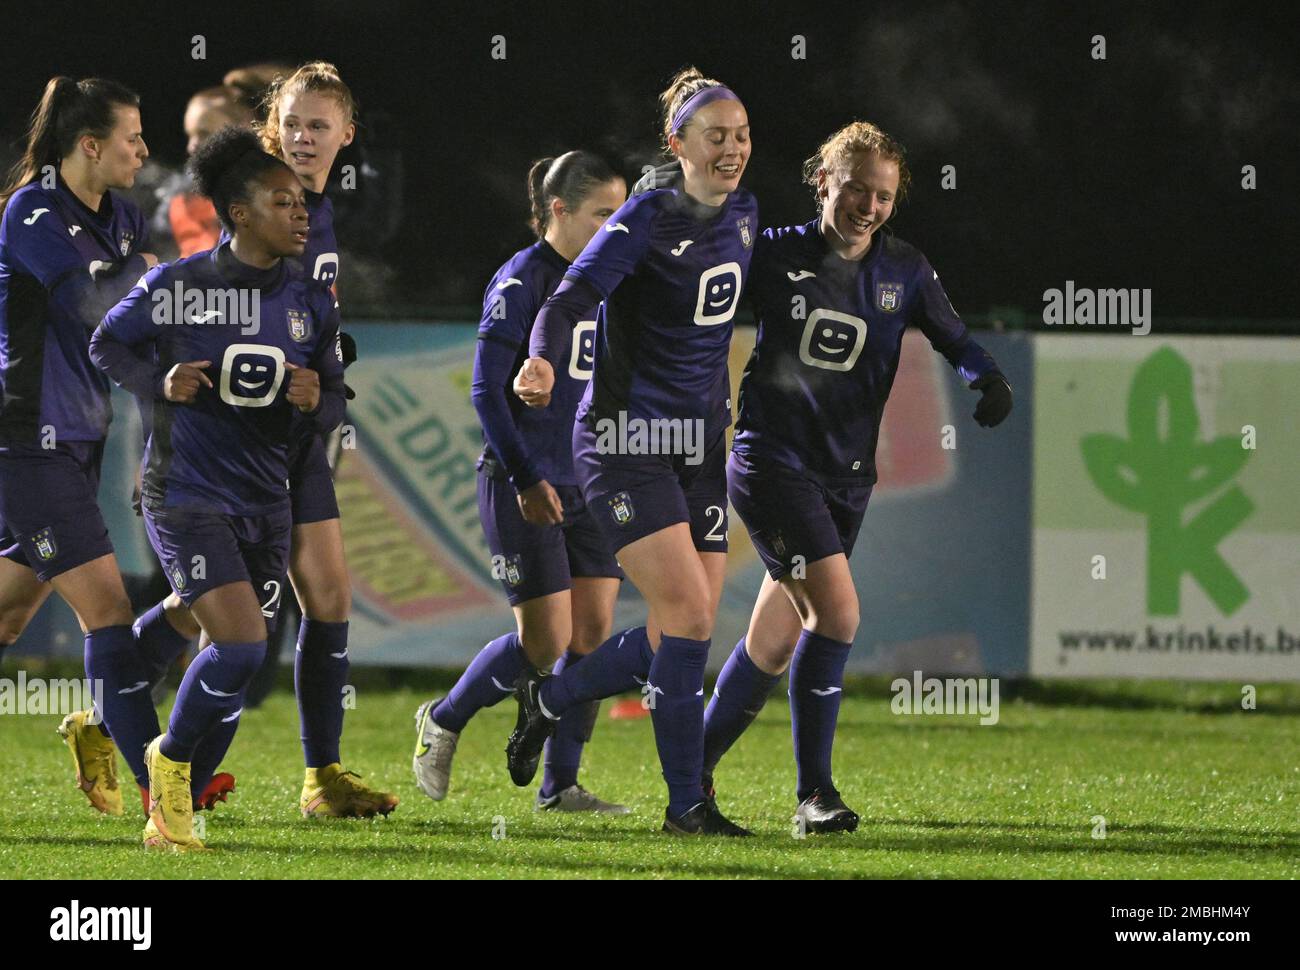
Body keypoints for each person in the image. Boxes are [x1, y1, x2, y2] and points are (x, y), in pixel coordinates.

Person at [705, 121, 1013, 832]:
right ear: (823, 182)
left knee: (774, 642)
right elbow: (693, 296)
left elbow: (956, 338)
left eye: (882, 196)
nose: (868, 207)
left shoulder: (905, 269)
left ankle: (689, 777)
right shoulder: (773, 252)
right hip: (771, 461)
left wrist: (986, 378)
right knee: (839, 616)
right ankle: (814, 796)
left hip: (846, 478)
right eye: (855, 190)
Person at [90, 125, 353, 849]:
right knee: (240, 646)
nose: (301, 213)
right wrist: (158, 382)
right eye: (282, 202)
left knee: (199, 625)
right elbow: (106, 342)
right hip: (186, 493)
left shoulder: (311, 300)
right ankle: (167, 768)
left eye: (302, 202)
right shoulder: (178, 286)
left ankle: (102, 715)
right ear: (239, 213)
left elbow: (335, 396)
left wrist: (314, 400)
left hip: (268, 501)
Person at [509, 68, 757, 836]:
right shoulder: (645, 217)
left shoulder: (745, 211)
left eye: (742, 134)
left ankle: (550, 698)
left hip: (696, 447)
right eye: (714, 135)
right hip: (624, 444)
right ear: (677, 143)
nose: (733, 148)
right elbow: (568, 298)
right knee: (683, 615)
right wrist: (543, 358)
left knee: (684, 628)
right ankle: (688, 807)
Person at [133, 63, 384, 818]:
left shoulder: (324, 212)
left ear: (346, 134)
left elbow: (312, 326)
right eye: (293, 124)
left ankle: (321, 777)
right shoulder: (245, 209)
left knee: (324, 600)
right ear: (271, 128)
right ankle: (130, 722)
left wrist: (330, 362)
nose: (305, 138)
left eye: (320, 125)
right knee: (227, 613)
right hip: (232, 444)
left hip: (295, 434)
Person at [412, 151, 630, 813]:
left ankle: (559, 786)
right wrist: (529, 478)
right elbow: (486, 391)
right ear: (559, 211)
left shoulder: (610, 281)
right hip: (524, 480)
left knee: (590, 641)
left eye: (622, 214)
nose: (615, 228)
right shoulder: (522, 280)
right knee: (547, 643)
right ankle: (445, 718)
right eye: (602, 214)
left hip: (592, 480)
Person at [0, 76, 177, 816]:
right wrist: (150, 279)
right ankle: (162, 791)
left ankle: (104, 737)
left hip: (80, 439)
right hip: (24, 439)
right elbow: (82, 302)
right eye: (132, 136)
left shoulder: (125, 219)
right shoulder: (32, 207)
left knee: (8, 618)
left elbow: (124, 333)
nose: (143, 149)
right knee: (106, 609)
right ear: (90, 145)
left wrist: (157, 441)